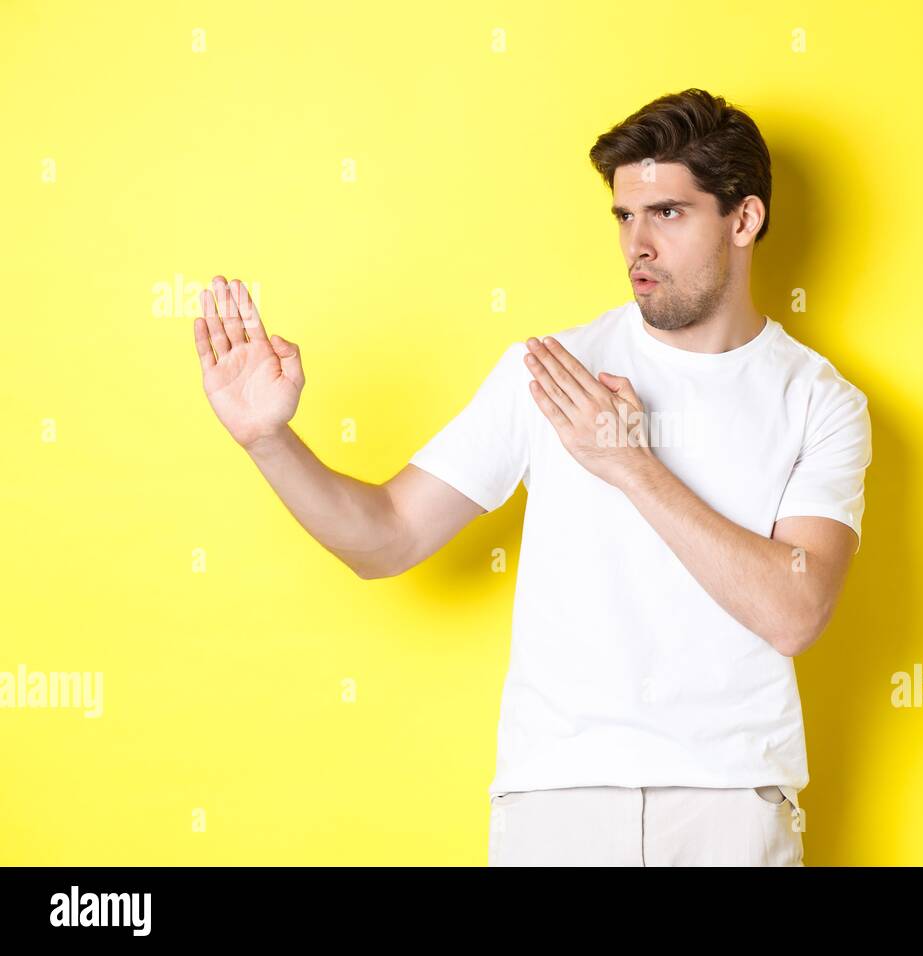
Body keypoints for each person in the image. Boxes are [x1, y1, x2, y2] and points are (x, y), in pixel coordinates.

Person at [190, 88, 872, 866]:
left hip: (729, 800)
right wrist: (268, 441)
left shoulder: (820, 400)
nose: (636, 245)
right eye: (624, 216)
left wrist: (630, 465)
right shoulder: (548, 371)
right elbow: (384, 539)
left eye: (669, 214)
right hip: (558, 801)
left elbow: (794, 611)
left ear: (743, 219)